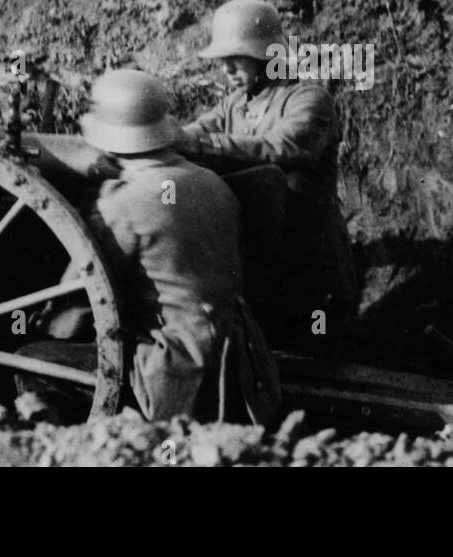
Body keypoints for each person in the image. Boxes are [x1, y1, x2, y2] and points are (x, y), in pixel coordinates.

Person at [18, 69, 281, 425]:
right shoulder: (213, 182)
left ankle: (90, 446)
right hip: (242, 362)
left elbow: (78, 312)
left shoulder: (121, 204)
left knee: (33, 358)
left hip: (174, 369)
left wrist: (36, 321)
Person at [175, 0, 358, 351]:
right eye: (222, 59)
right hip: (260, 266)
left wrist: (198, 146)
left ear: (266, 54)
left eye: (236, 57)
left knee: (313, 362)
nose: (226, 69)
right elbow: (196, 132)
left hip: (309, 271)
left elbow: (284, 146)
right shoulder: (236, 103)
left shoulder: (307, 99)